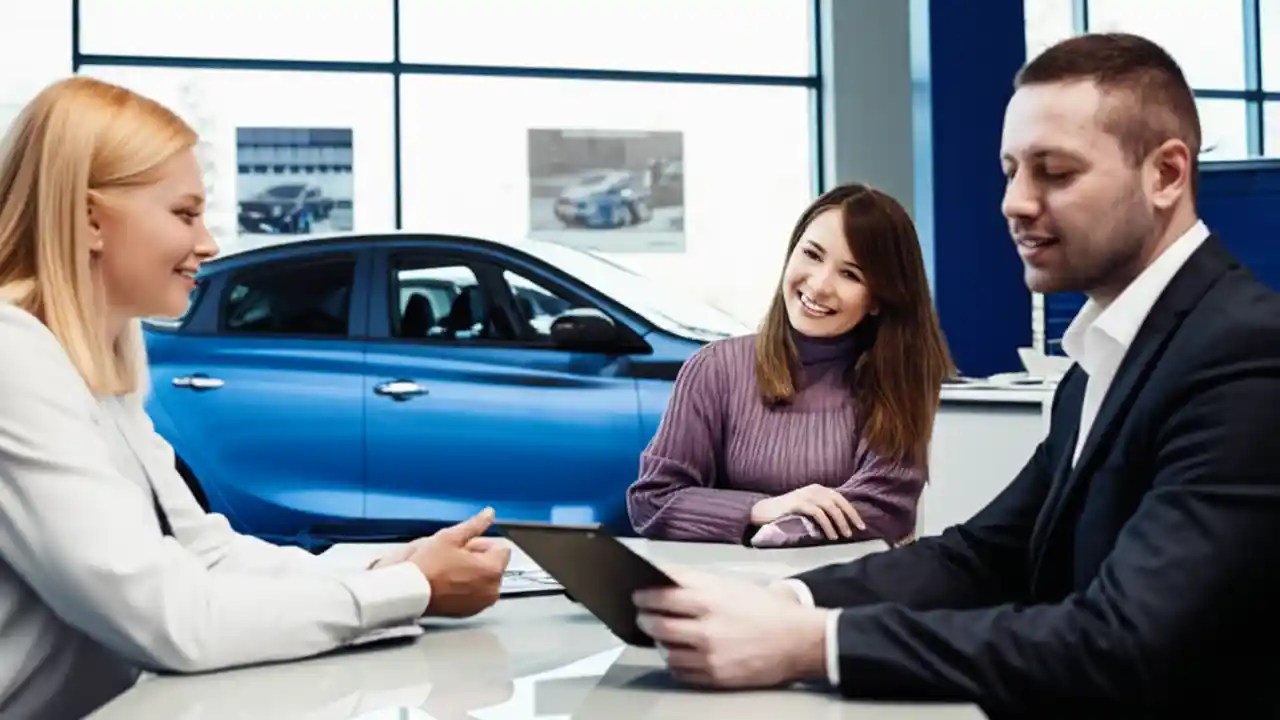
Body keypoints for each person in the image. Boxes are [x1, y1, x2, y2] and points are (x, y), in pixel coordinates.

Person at [632, 32, 1280, 716]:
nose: (1015, 203)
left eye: (1055, 172)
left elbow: (1122, 641)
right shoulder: (1099, 365)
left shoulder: (1243, 351)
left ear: (1167, 175)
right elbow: (985, 555)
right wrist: (786, 600)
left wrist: (816, 642)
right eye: (1010, 171)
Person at [0, 77, 510, 720]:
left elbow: (206, 553)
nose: (209, 244)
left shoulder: (90, 368)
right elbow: (172, 620)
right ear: (88, 218)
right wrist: (409, 588)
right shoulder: (12, 357)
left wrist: (393, 562)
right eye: (185, 214)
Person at [626, 183, 954, 548]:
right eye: (812, 255)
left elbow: (883, 508)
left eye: (851, 274)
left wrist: (789, 527)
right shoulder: (715, 368)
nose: (819, 285)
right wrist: (762, 508)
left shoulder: (894, 381)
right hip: (723, 590)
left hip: (833, 596)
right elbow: (653, 501)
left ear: (879, 299)